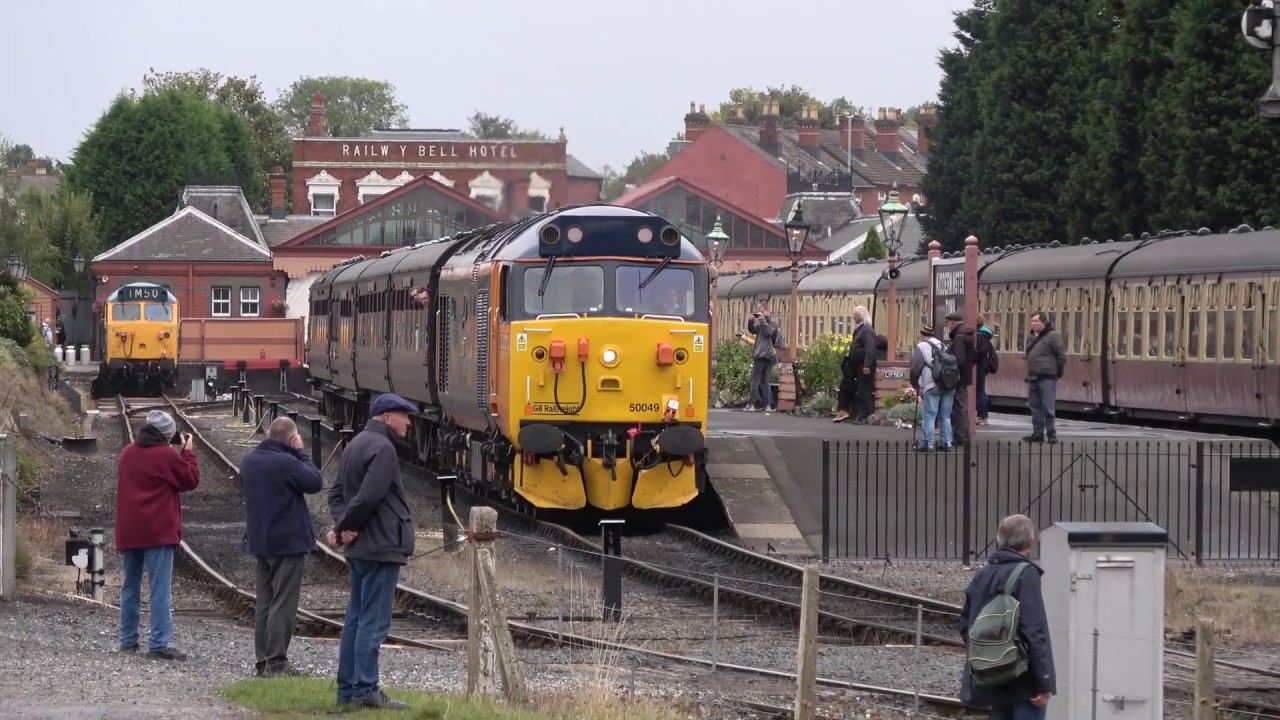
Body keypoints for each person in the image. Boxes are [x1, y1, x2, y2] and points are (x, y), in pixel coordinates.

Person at [327, 393, 419, 710]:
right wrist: (344, 528)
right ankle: (366, 689)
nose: (408, 422)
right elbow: (369, 497)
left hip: (360, 548)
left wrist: (343, 526)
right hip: (380, 546)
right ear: (386, 417)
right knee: (373, 622)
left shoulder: (355, 444)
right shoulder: (384, 449)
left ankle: (348, 690)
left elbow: (336, 494)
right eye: (403, 415)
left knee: (355, 619)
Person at [241, 416, 324, 677]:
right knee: (283, 603)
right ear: (291, 439)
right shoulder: (287, 462)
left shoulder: (248, 460)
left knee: (265, 602)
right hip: (287, 542)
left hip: (260, 540)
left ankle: (263, 661)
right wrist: (301, 453)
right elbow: (315, 482)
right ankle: (277, 662)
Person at [115, 410, 200, 661]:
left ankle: (128, 640)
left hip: (130, 528)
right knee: (159, 589)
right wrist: (188, 452)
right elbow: (190, 479)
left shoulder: (128, 452)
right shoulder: (166, 455)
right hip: (158, 530)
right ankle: (158, 644)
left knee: (130, 587)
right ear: (167, 435)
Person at [959, 514, 1055, 717]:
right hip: (1023, 681)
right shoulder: (1026, 573)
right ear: (1031, 541)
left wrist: (987, 658)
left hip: (992, 676)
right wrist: (1044, 680)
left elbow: (966, 624)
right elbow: (1033, 630)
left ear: (999, 540)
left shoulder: (983, 574)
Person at [1024, 311, 1067, 444]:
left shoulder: (1053, 336)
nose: (1033, 324)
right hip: (1033, 376)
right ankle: (1038, 433)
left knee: (1048, 407)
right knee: (1034, 406)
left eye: (1036, 321)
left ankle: (1051, 433)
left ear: (1044, 322)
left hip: (1047, 376)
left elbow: (1061, 356)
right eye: (1032, 321)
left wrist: (1057, 372)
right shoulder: (1031, 337)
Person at [909, 325, 954, 452]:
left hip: (932, 384)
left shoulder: (922, 346)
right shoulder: (943, 345)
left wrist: (914, 383)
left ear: (923, 335)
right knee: (945, 416)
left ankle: (928, 444)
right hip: (948, 384)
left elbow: (915, 367)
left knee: (929, 415)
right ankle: (946, 443)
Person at [834, 305, 877, 424]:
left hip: (864, 365)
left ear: (861, 315)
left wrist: (867, 365)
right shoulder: (859, 330)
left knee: (864, 389)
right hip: (857, 365)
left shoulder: (866, 330)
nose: (853, 316)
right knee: (857, 388)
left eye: (856, 313)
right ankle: (854, 413)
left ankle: (864, 415)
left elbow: (870, 349)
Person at [945, 311, 977, 445]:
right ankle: (965, 436)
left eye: (948, 322)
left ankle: (960, 437)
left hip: (957, 378)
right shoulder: (968, 336)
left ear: (953, 322)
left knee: (958, 407)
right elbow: (974, 356)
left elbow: (958, 359)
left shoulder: (958, 338)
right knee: (961, 406)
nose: (947, 325)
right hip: (964, 376)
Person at [744, 304, 778, 413]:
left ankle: (752, 403)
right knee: (764, 380)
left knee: (755, 378)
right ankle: (767, 404)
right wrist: (750, 321)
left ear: (767, 311)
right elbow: (753, 330)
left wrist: (762, 320)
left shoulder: (772, 321)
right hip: (764, 354)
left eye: (762, 312)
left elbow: (770, 332)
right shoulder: (762, 322)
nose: (760, 315)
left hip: (763, 354)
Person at [975, 315, 998, 426]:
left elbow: (983, 350)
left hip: (980, 366)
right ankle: (982, 416)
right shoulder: (984, 334)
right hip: (982, 365)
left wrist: (972, 356)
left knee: (979, 391)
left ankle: (982, 416)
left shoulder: (980, 335)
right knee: (980, 390)